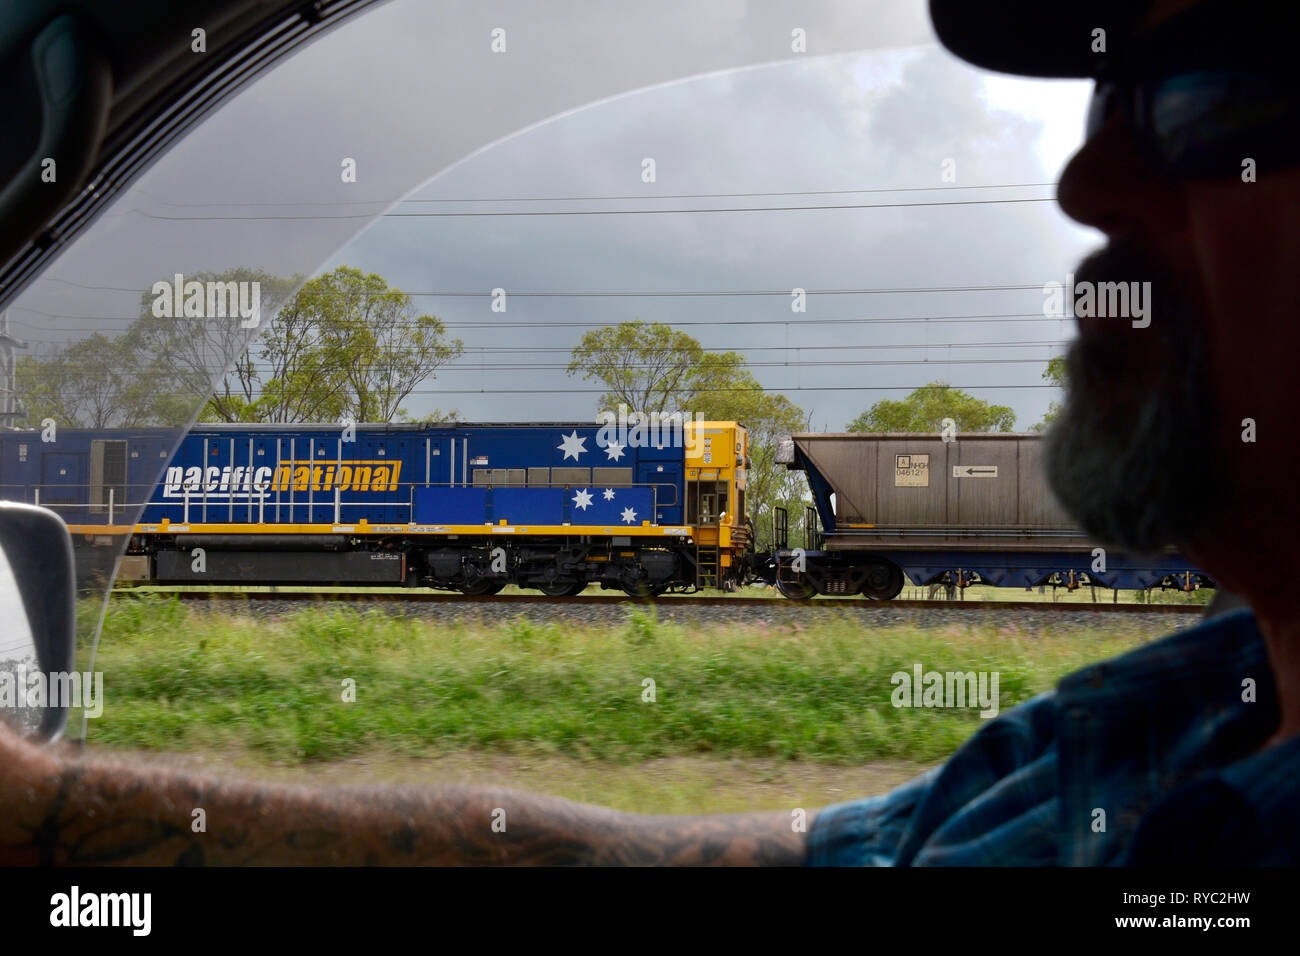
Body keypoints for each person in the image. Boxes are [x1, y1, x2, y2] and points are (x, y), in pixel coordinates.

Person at [3, 0, 1296, 865]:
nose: (1085, 184)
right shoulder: (1105, 751)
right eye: (1103, 106)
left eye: (1213, 95)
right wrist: (46, 813)